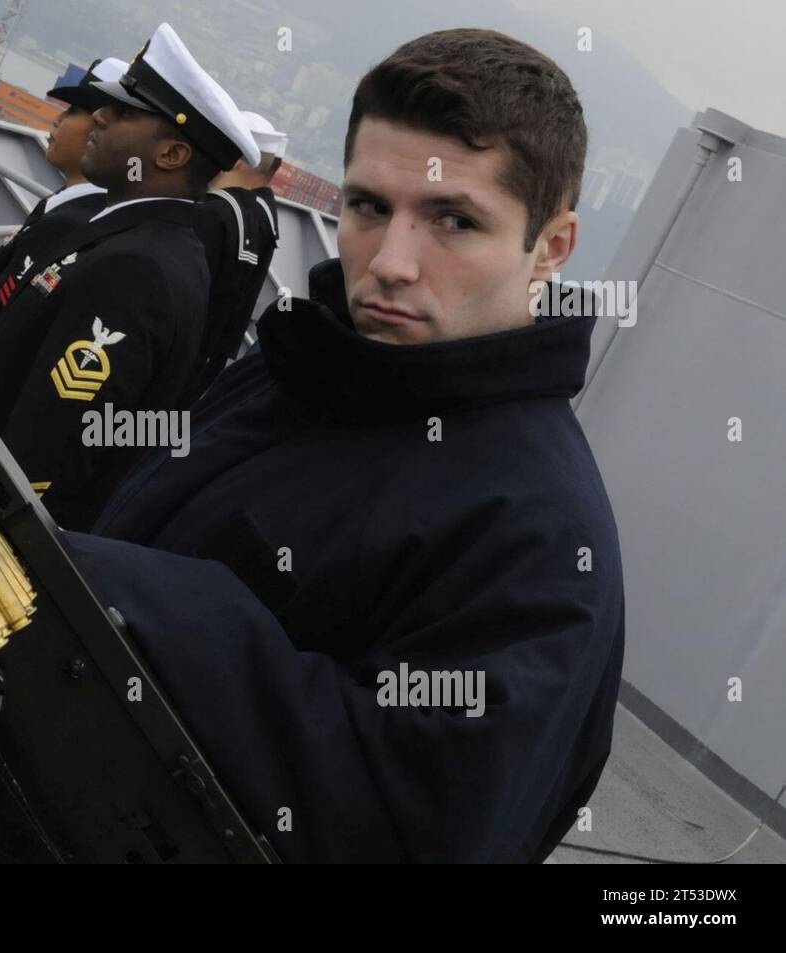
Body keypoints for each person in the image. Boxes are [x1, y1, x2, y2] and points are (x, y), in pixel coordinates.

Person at [66, 28, 626, 863]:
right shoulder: (296, 367)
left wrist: (126, 597)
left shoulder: (540, 535)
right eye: (368, 207)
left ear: (550, 247)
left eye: (453, 219)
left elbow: (419, 823)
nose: (389, 263)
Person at [0, 23, 259, 530]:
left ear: (170, 155)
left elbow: (45, 453)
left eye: (122, 112)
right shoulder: (129, 236)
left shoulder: (138, 269)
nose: (99, 115)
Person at [0, 57, 128, 314]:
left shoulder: (70, 223)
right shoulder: (70, 206)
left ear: (102, 130)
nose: (57, 120)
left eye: (72, 111)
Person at [185, 110, 286, 405]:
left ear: (238, 157)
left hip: (184, 353)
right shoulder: (261, 216)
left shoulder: (215, 214)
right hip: (210, 359)